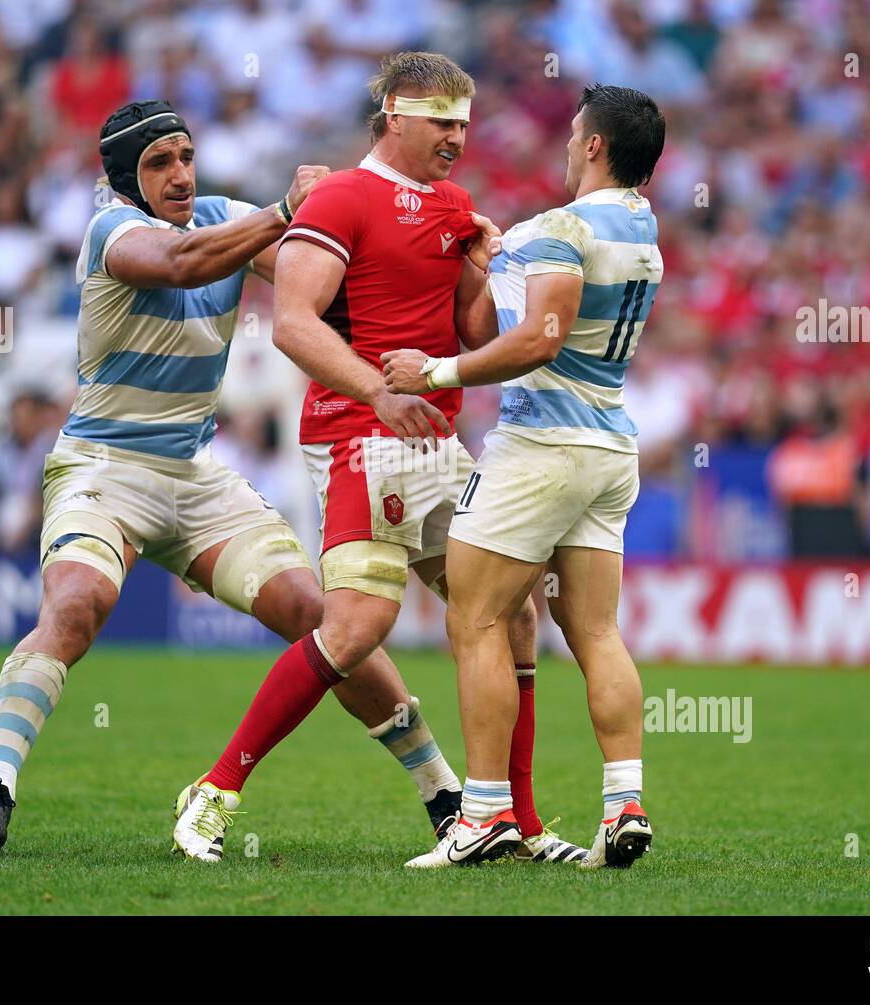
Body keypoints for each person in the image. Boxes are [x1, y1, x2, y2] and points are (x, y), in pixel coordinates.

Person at [0, 100, 465, 857]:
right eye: (160, 162)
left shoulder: (226, 216)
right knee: (77, 604)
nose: (181, 174)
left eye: (186, 156)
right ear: (127, 178)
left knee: (318, 612)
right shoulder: (112, 231)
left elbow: (321, 286)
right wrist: (288, 208)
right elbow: (181, 263)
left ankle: (446, 796)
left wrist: (420, 248)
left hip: (194, 474)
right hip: (104, 468)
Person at [177, 53, 586, 866]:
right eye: (442, 121)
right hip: (359, 437)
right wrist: (379, 391)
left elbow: (470, 335)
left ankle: (516, 825)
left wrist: (475, 270)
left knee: (514, 616)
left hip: (434, 440)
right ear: (395, 115)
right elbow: (293, 322)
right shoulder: (338, 198)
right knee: (360, 623)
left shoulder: (456, 204)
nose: (458, 137)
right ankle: (217, 789)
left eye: (465, 123)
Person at [383, 85, 666, 868]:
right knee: (597, 631)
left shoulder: (563, 226)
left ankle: (482, 815)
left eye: (577, 133)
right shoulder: (643, 229)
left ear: (597, 146)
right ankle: (624, 804)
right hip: (610, 447)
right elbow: (566, 312)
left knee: (474, 617)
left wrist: (434, 371)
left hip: (543, 446)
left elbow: (541, 339)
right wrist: (504, 258)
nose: (570, 142)